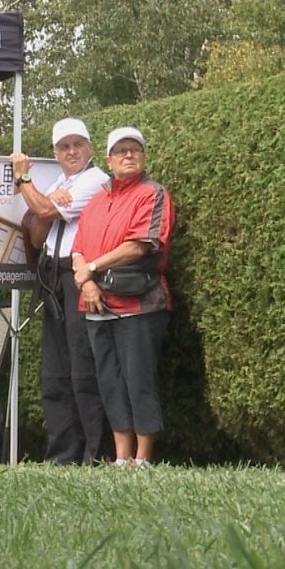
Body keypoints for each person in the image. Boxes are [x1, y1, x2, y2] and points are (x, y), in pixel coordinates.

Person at [72, 126, 175, 467]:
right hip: (97, 303)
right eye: (121, 151)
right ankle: (121, 458)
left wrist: (93, 267)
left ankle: (142, 459)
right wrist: (86, 282)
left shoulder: (153, 193)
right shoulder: (97, 202)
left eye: (135, 150)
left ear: (144, 157)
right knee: (110, 382)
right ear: (109, 159)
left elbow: (140, 244)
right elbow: (78, 250)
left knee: (138, 379)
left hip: (140, 303)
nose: (128, 155)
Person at [12, 118, 112, 465]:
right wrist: (47, 203)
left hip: (79, 273)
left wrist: (25, 181)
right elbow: (39, 235)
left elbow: (41, 210)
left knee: (84, 367)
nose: (71, 151)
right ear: (55, 152)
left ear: (90, 147)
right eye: (64, 147)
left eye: (77, 144)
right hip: (53, 274)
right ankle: (63, 455)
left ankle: (94, 454)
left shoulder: (97, 180)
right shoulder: (59, 182)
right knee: (55, 371)